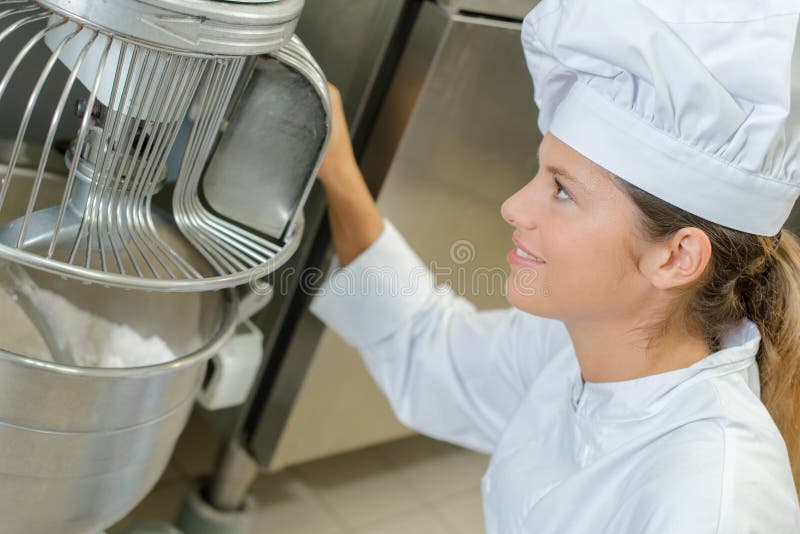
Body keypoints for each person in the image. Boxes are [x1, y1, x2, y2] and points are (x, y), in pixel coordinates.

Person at [309, 1, 800, 532]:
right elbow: (429, 347)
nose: (513, 207)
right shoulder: (576, 346)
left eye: (562, 190)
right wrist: (338, 171)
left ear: (677, 257)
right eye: (540, 174)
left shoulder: (714, 502)